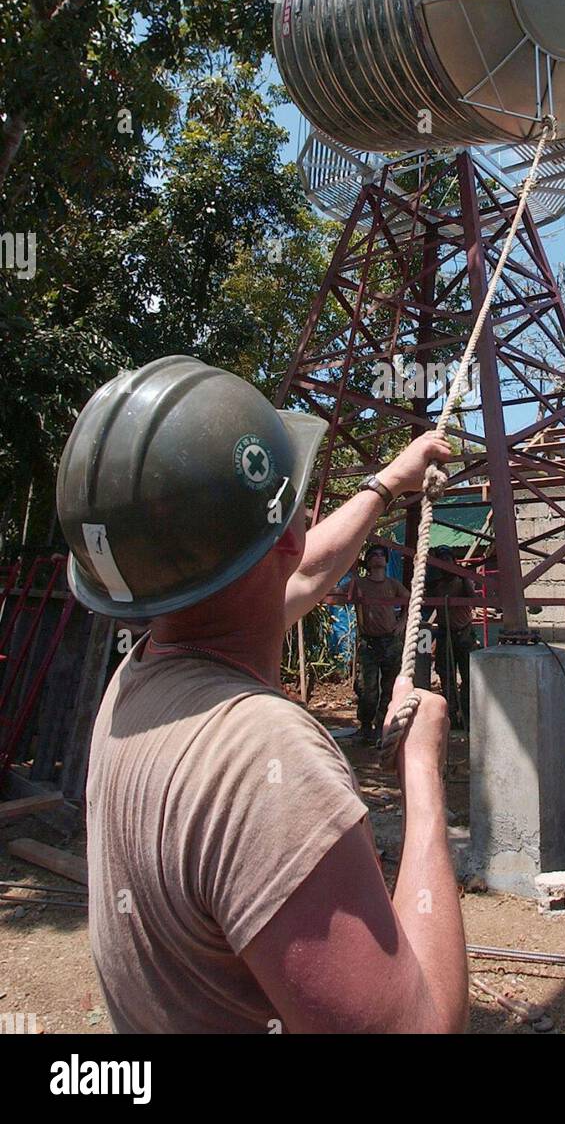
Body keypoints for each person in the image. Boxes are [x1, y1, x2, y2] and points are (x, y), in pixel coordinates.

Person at [57, 355, 467, 1035]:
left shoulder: (136, 683)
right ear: (288, 532)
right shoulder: (260, 755)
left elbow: (292, 574)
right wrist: (423, 774)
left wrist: (385, 486)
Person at [354, 545, 409, 744]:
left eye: (381, 555)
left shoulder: (393, 584)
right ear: (368, 561)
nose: (378, 558)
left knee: (389, 687)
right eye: (373, 555)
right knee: (368, 689)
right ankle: (366, 726)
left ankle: (381, 727)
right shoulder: (359, 584)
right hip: (369, 642)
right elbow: (340, 593)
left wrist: (402, 621)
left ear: (386, 561)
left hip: (390, 641)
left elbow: (410, 600)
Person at [431, 546, 477, 729]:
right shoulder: (437, 585)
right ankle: (452, 715)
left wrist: (464, 578)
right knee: (447, 677)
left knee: (468, 677)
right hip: (445, 634)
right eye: (441, 560)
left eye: (447, 559)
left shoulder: (462, 581)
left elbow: (472, 598)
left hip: (464, 633)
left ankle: (468, 715)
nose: (445, 564)